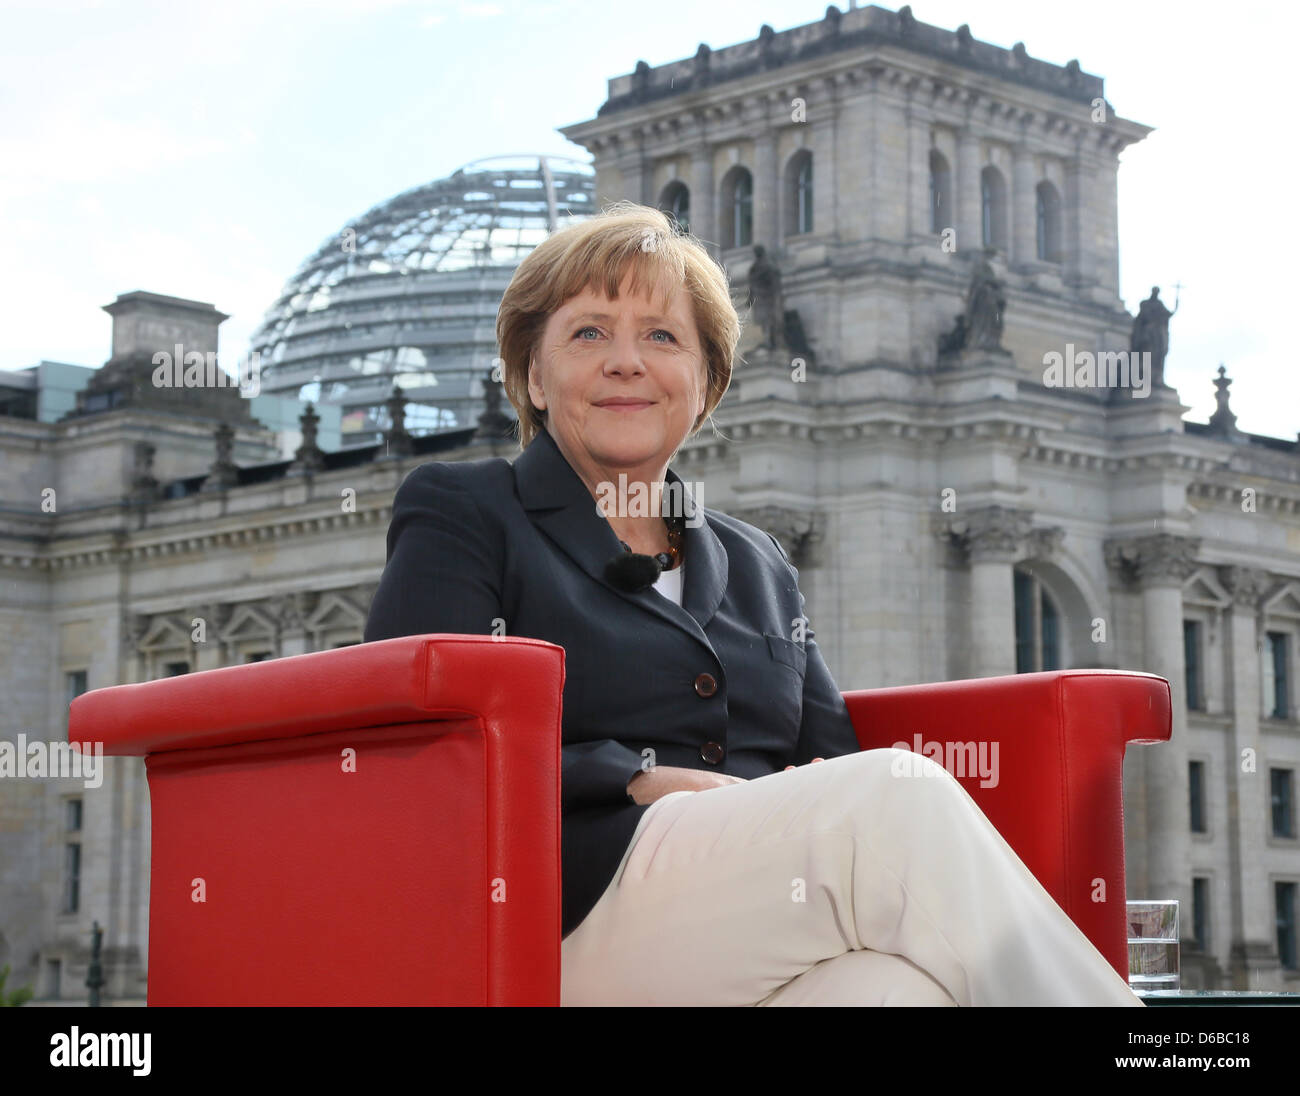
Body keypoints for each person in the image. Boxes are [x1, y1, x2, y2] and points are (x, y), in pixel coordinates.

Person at [363, 201, 1144, 1007]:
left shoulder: (756, 558)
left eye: (662, 337)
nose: (626, 362)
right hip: (551, 912)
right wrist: (637, 779)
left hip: (744, 927)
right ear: (533, 373)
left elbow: (828, 759)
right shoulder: (466, 511)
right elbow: (424, 745)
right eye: (589, 333)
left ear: (705, 385)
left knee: (890, 991)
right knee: (899, 796)